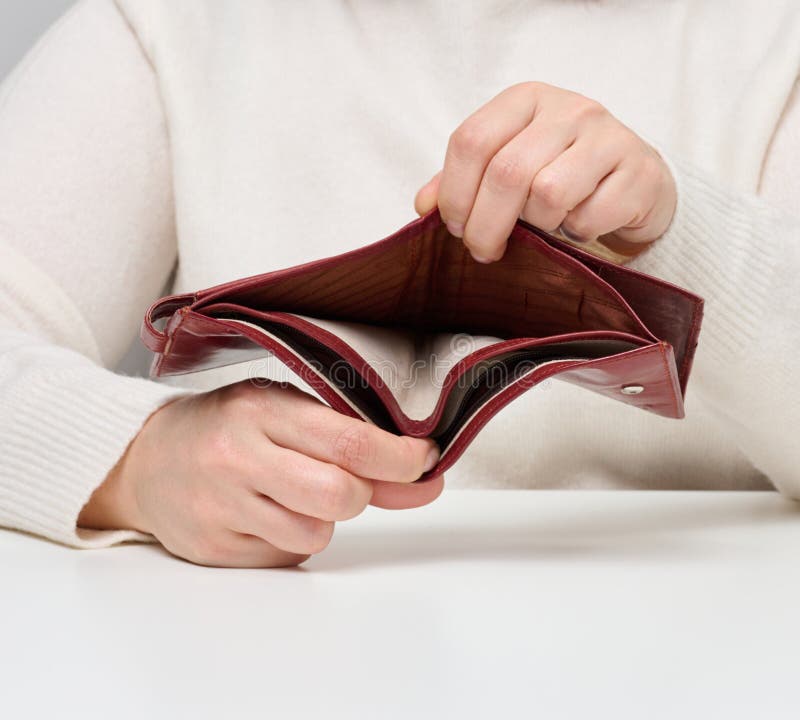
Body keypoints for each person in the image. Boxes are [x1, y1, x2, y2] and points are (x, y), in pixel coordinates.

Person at [1, 0, 798, 568]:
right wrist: (135, 461)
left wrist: (685, 237)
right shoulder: (174, 25)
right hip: (267, 664)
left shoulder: (773, 37)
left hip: (690, 670)